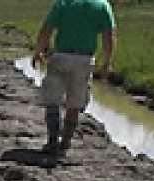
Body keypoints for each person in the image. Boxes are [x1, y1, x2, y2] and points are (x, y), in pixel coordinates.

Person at [32, 0, 116, 155]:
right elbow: (108, 37)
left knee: (52, 100)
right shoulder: (102, 5)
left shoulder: (64, 3)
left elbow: (46, 30)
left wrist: (38, 51)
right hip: (84, 59)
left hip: (61, 56)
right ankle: (65, 142)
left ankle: (52, 140)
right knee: (75, 102)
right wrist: (106, 63)